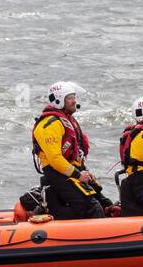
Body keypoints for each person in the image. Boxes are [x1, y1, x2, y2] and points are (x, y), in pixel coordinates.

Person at [31, 81, 112, 220]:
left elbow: (77, 154)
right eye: (70, 98)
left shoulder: (67, 121)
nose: (74, 101)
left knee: (105, 203)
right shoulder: (49, 125)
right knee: (92, 207)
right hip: (57, 173)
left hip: (70, 170)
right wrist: (78, 175)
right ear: (58, 101)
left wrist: (84, 172)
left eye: (74, 97)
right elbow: (55, 159)